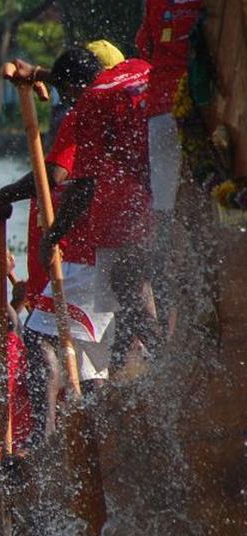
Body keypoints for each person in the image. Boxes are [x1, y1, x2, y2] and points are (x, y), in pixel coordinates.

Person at [0, 48, 157, 383]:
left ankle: (164, 360)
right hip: (161, 203)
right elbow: (87, 82)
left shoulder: (90, 105)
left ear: (75, 88)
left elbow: (76, 183)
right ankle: (161, 362)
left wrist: (52, 236)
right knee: (124, 322)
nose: (68, 104)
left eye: (66, 96)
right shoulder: (136, 69)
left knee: (40, 338)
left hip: (111, 230)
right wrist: (39, 74)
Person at [136, 0, 203, 320]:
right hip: (204, 107)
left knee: (165, 213)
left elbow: (146, 49)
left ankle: (168, 312)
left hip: (165, 110)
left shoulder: (155, 3)